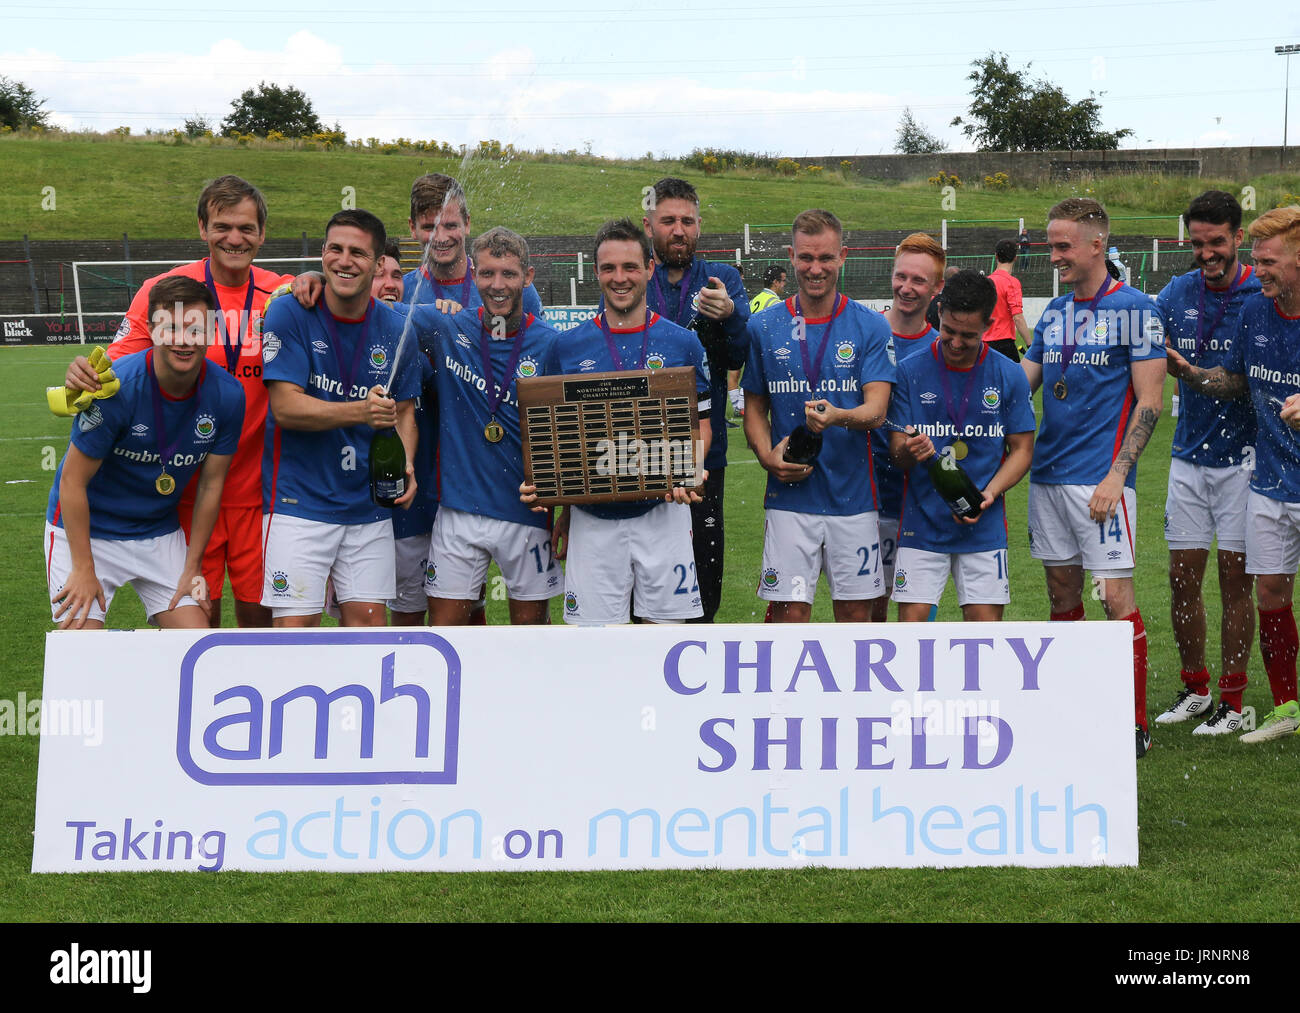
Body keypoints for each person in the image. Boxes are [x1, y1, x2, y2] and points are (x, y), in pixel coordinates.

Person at [63, 175, 293, 629]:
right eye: (222, 226)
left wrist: (313, 281)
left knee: (259, 618)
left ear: (262, 234)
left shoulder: (285, 295)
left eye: (247, 228)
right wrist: (81, 374)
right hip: (185, 489)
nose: (235, 238)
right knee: (196, 618)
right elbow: (113, 370)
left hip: (263, 491)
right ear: (203, 229)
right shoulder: (164, 290)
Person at [1021, 197, 1167, 759]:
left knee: (1114, 597)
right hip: (1048, 478)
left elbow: (1149, 402)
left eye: (1062, 245)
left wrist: (1118, 475)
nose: (1053, 255)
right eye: (1051, 244)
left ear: (1096, 245)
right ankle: (1076, 705)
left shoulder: (1136, 310)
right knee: (1062, 594)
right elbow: (1023, 383)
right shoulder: (1055, 312)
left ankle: (1132, 722)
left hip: (1101, 484)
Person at [522, 218, 712, 626]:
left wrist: (690, 468)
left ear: (648, 267)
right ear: (596, 273)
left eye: (629, 267)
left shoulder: (683, 342)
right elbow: (558, 439)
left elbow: (703, 424)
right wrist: (557, 495)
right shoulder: (566, 346)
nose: (619, 278)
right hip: (594, 522)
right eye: (609, 268)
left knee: (666, 640)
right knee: (592, 644)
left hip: (663, 515)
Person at [1168, 205, 1300, 744]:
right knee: (1265, 591)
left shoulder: (1254, 298)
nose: (1259, 269)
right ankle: (1283, 707)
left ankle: (1250, 700)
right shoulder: (1255, 311)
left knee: (1247, 587)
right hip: (1268, 478)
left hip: (1254, 469)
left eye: (1269, 260)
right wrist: (1190, 374)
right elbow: (1236, 379)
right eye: (1258, 260)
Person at [45, 276, 245, 630]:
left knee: (196, 639)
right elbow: (73, 483)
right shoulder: (115, 388)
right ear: (151, 330)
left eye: (194, 328)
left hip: (157, 530)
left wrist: (192, 566)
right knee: (80, 648)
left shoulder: (228, 395)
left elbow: (210, 486)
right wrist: (83, 568)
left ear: (211, 332)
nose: (183, 339)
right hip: (88, 531)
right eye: (170, 328)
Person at [260, 209, 419, 628]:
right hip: (298, 504)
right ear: (323, 253)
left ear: (378, 263)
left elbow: (403, 411)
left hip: (368, 506)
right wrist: (360, 411)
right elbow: (285, 407)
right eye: (335, 249)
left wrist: (408, 464)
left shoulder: (399, 328)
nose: (344, 261)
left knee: (369, 631)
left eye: (358, 253)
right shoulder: (289, 312)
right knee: (294, 631)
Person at [743, 208, 896, 622]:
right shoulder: (764, 326)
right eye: (806, 258)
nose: (815, 268)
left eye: (825, 258)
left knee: (855, 618)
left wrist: (838, 417)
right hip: (790, 498)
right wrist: (765, 457)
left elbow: (878, 409)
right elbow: (754, 406)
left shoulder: (869, 326)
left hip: (855, 501)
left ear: (842, 256)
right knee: (789, 617)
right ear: (792, 256)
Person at [410, 227, 560, 625]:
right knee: (445, 633)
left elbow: (569, 431)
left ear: (528, 277)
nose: (497, 285)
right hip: (459, 511)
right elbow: (370, 311)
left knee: (530, 639)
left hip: (526, 511)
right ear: (473, 275)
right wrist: (309, 281)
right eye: (488, 273)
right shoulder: (445, 328)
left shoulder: (551, 345)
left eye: (509, 274)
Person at [1153, 191, 1260, 735]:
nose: (1207, 253)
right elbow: (1146, 342)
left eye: (1216, 242)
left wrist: (1190, 374)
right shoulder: (1176, 291)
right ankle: (1195, 688)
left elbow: (1247, 384)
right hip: (1188, 458)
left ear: (1237, 238)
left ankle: (1235, 699)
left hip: (1247, 464)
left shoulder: (1261, 294)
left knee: (1234, 580)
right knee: (1180, 577)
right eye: (1197, 243)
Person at [889, 270, 1034, 620]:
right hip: (922, 526)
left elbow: (1023, 450)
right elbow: (896, 453)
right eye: (949, 331)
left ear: (988, 324)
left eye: (967, 336)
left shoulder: (1008, 373)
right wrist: (911, 450)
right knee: (913, 636)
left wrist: (989, 494)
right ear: (938, 313)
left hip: (983, 527)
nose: (955, 343)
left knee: (985, 636)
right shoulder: (909, 371)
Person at [642, 177, 749, 623]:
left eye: (687, 221)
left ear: (700, 225)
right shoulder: (634, 274)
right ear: (649, 225)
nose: (678, 230)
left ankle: (700, 654)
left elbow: (740, 355)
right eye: (668, 221)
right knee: (645, 574)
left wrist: (730, 318)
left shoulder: (722, 279)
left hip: (708, 452)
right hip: (639, 450)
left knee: (705, 575)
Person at [873, 232, 946, 620]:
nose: (907, 287)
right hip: (861, 503)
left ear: (937, 287)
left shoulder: (941, 350)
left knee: (913, 622)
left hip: (917, 505)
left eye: (919, 280)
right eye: (901, 276)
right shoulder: (864, 334)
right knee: (866, 616)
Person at [401, 172, 544, 316]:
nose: (441, 238)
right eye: (429, 227)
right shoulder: (403, 291)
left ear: (467, 224)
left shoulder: (513, 287)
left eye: (450, 226)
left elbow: (542, 337)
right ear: (413, 228)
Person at [732, 265, 788, 420]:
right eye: (783, 281)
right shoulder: (775, 302)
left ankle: (742, 406)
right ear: (776, 282)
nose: (784, 285)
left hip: (750, 345)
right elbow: (777, 330)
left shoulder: (756, 299)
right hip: (765, 348)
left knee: (751, 379)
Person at [985, 239, 1033, 361]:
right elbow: (1017, 317)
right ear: (1015, 258)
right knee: (1017, 379)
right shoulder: (1011, 283)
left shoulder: (985, 282)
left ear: (996, 256)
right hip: (1003, 343)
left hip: (983, 344)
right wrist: (1030, 344)